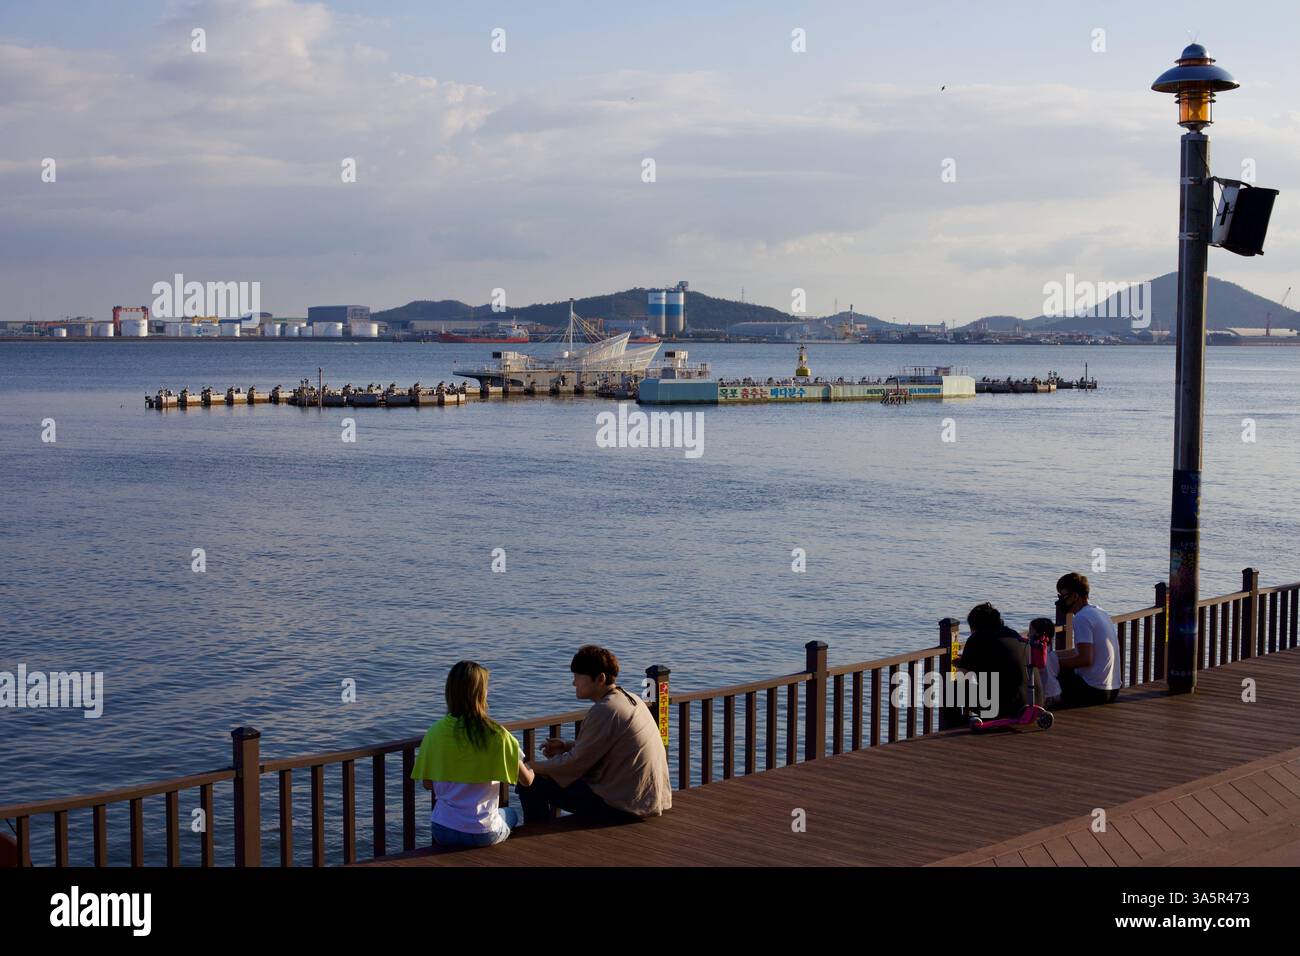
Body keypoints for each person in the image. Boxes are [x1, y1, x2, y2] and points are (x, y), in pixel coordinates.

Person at [516, 645, 671, 824]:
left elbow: (574, 764)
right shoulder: (631, 698)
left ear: (600, 678)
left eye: (577, 677)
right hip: (646, 800)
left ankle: (536, 832)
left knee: (530, 782)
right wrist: (567, 745)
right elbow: (608, 744)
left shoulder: (605, 709)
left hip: (620, 807)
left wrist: (529, 767)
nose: (573, 683)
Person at [410, 660, 534, 848]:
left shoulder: (435, 732)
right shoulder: (497, 734)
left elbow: (428, 784)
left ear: (450, 692)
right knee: (512, 814)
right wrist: (532, 769)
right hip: (483, 832)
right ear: (481, 694)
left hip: (442, 829)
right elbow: (526, 781)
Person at [954, 603, 1035, 720]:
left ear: (975, 626)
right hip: (1029, 703)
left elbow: (962, 677)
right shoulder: (1013, 634)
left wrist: (962, 665)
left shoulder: (977, 638)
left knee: (950, 689)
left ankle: (954, 726)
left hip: (1001, 708)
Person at [1054, 572, 1121, 707]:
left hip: (1093, 691)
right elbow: (1082, 651)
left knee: (1051, 675)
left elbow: (1085, 659)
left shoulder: (1081, 618)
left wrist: (1053, 664)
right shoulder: (1099, 612)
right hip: (1112, 690)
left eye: (1063, 596)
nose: (1060, 600)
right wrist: (1054, 656)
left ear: (1075, 596)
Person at [1027, 617, 1062, 708]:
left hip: (1045, 695)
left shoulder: (1036, 654)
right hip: (1056, 691)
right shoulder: (1053, 654)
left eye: (1030, 632)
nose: (1028, 634)